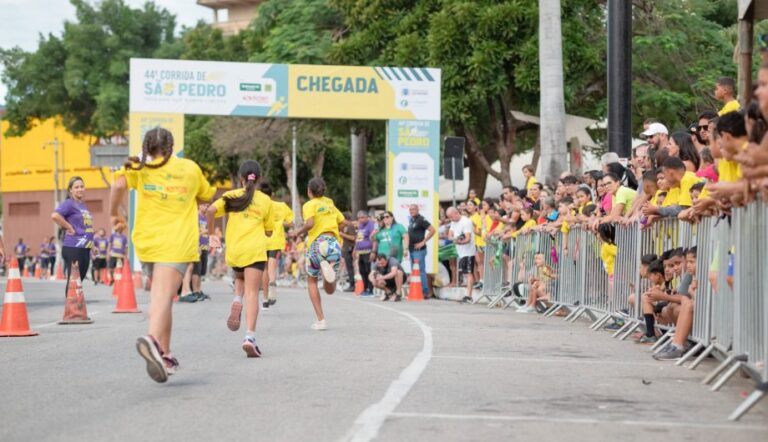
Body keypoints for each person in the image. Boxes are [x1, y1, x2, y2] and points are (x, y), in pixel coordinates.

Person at [111, 127, 216, 383]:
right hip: (177, 244)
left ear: (147, 146)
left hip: (147, 243)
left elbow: (117, 184)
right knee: (161, 296)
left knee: (164, 297)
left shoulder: (140, 168)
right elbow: (207, 198)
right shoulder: (190, 168)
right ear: (171, 145)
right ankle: (152, 340)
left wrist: (114, 213)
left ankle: (165, 355)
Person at [207, 160, 272, 357]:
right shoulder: (265, 201)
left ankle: (237, 298)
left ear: (241, 178)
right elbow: (269, 232)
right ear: (259, 179)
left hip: (235, 252)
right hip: (255, 251)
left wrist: (212, 235)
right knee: (252, 293)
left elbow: (210, 210)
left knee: (240, 277)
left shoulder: (231, 195)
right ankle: (249, 337)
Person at [290, 177, 346, 331]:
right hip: (333, 243)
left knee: (312, 281)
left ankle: (321, 320)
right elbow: (342, 222)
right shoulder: (329, 202)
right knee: (330, 289)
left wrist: (297, 232)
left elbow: (309, 224)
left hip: (317, 243)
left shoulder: (309, 204)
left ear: (309, 191)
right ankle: (328, 270)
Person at [654, 247, 698, 360]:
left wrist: (664, 296)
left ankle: (678, 345)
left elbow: (687, 298)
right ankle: (684, 341)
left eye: (691, 262)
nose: (688, 265)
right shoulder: (693, 276)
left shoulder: (701, 276)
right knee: (670, 308)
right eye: (687, 262)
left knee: (684, 306)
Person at [52, 176, 95, 290]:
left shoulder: (82, 206)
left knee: (79, 282)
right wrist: (68, 226)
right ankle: (71, 307)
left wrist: (92, 245)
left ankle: (76, 306)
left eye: (82, 186)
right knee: (74, 282)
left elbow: (85, 227)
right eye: (76, 187)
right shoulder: (69, 203)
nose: (80, 189)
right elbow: (55, 215)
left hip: (84, 248)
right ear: (71, 190)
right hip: (73, 247)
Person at [259, 182, 294, 307]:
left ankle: (264, 298)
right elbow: (291, 223)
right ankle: (272, 285)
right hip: (276, 239)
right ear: (272, 194)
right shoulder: (281, 206)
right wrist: (281, 223)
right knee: (272, 265)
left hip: (261, 239)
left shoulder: (259, 207)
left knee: (264, 268)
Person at [407, 204, 436, 298]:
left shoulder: (421, 219)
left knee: (420, 271)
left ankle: (425, 292)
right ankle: (417, 290)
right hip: (411, 250)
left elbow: (432, 230)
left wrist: (423, 242)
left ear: (418, 209)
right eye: (410, 209)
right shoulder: (412, 220)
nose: (411, 211)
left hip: (419, 250)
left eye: (413, 209)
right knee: (414, 271)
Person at [446, 206, 474, 303]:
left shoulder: (466, 222)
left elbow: (468, 238)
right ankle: (467, 294)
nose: (450, 219)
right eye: (449, 217)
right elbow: (449, 235)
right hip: (461, 251)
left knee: (469, 272)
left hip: (469, 251)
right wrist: (455, 239)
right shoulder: (453, 222)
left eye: (451, 217)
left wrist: (458, 241)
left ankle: (469, 295)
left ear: (456, 213)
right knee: (465, 273)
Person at [354, 210, 377, 296]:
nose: (360, 219)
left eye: (362, 217)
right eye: (359, 218)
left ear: (367, 217)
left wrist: (373, 252)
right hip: (360, 252)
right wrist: (355, 249)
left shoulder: (371, 225)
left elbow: (374, 239)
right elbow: (358, 238)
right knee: (362, 271)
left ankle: (370, 289)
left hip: (368, 251)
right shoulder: (360, 226)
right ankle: (365, 289)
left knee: (369, 271)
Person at [338, 211, 357, 293]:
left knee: (350, 268)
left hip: (350, 249)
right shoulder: (346, 226)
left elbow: (353, 238)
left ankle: (352, 285)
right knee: (348, 268)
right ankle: (351, 284)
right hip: (346, 249)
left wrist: (342, 235)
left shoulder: (350, 226)